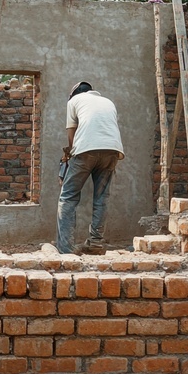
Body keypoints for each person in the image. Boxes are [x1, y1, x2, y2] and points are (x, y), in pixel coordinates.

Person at [56, 81, 125, 255]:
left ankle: (66, 248)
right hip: (112, 150)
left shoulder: (73, 102)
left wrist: (68, 159)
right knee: (102, 197)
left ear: (75, 94)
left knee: (68, 197)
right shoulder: (108, 102)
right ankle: (96, 243)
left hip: (86, 150)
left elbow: (71, 135)